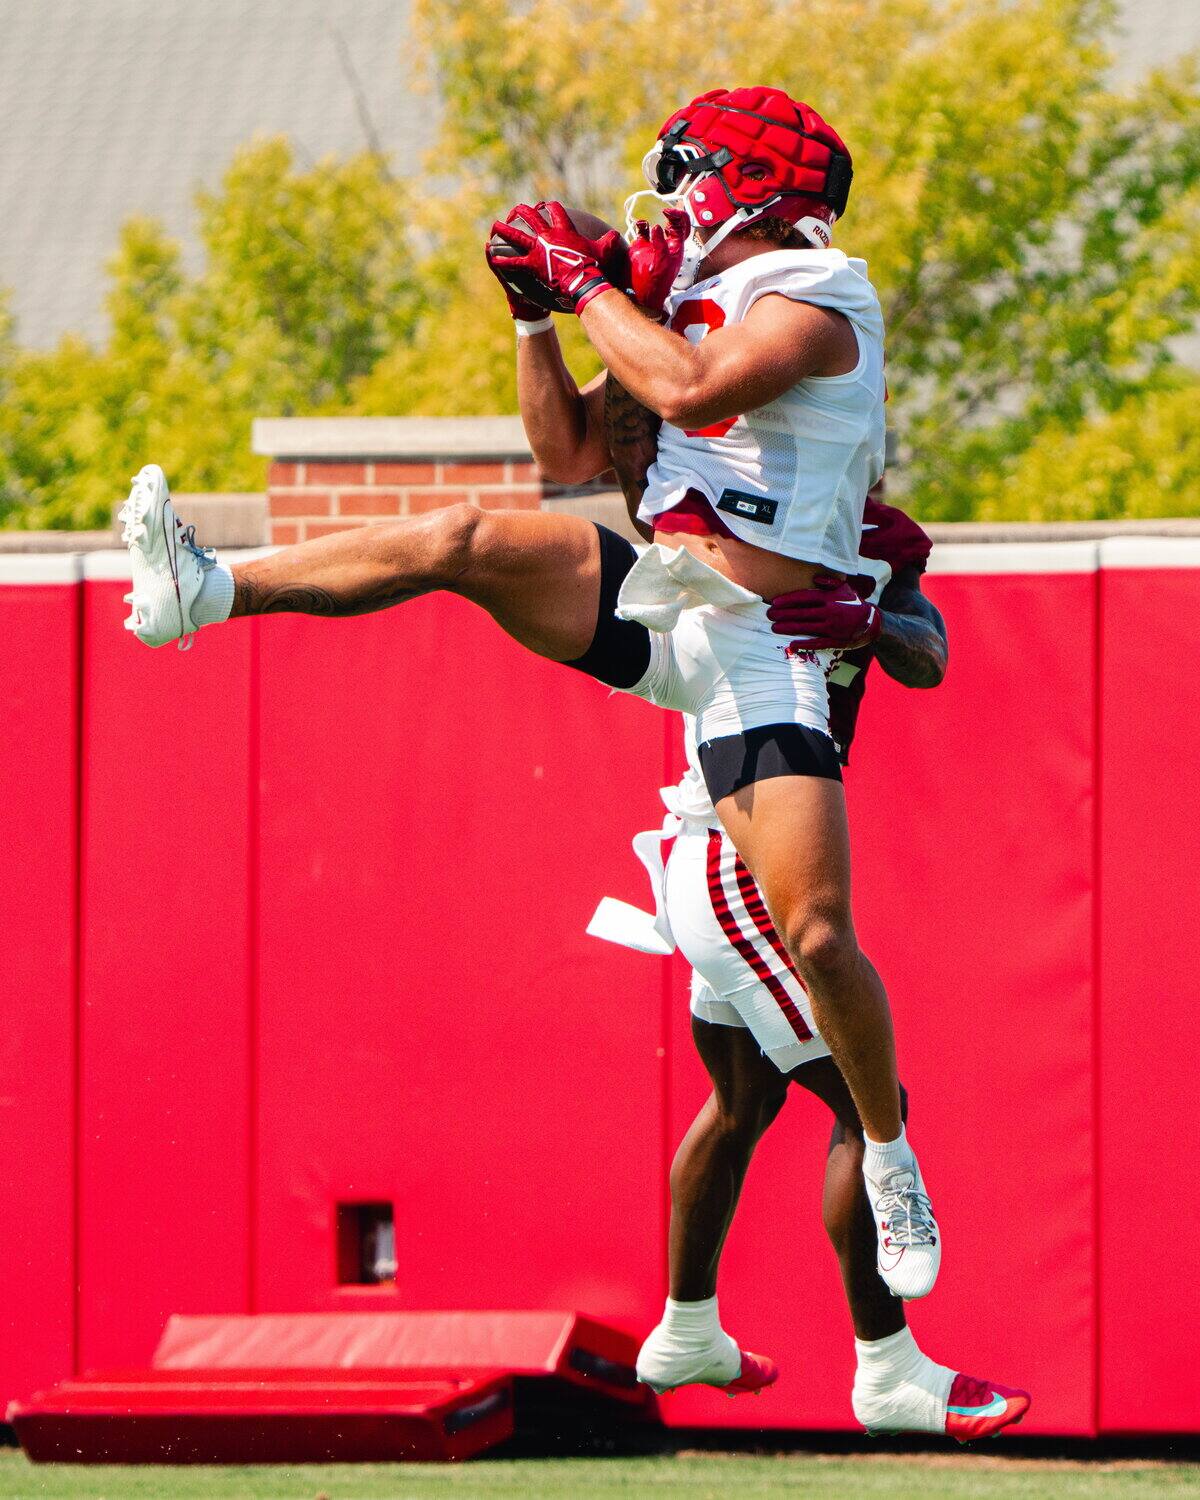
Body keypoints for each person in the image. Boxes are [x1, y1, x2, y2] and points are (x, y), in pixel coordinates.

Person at [123, 86, 938, 1355]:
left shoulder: (822, 290)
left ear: (749, 186)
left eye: (688, 176)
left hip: (767, 645)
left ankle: (890, 1157)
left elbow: (689, 390)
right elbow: (567, 445)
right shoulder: (671, 301)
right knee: (464, 538)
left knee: (823, 936)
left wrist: (581, 283)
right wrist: (532, 315)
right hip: (674, 602)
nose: (664, 203)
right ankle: (206, 588)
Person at [584, 493, 1028, 1438]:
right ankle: (888, 1367)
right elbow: (643, 496)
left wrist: (870, 619)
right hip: (734, 858)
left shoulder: (876, 536)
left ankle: (685, 1328)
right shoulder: (717, 512)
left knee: (744, 1101)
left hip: (726, 854)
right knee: (874, 1105)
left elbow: (929, 654)